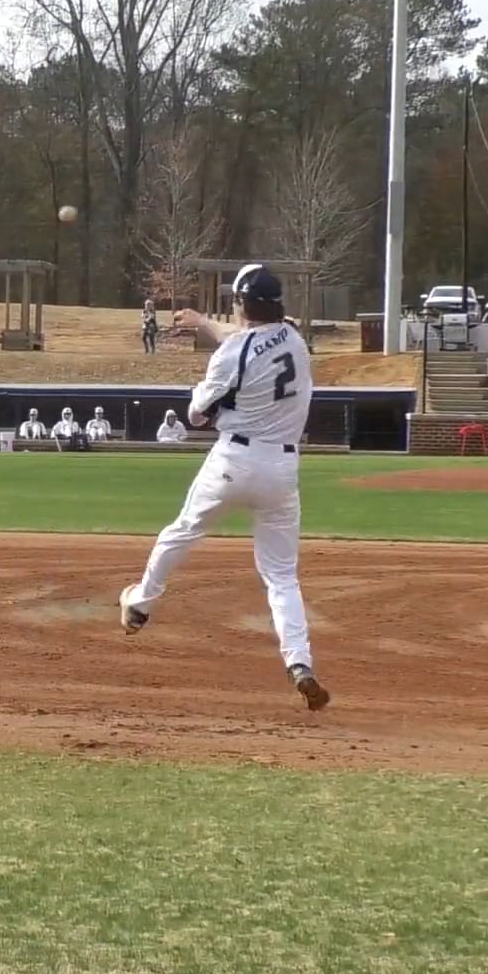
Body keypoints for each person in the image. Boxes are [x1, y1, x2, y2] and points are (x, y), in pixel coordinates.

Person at [118, 264, 329, 711]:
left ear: (241, 305)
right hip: (282, 468)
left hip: (233, 460)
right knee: (281, 577)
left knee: (182, 530)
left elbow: (197, 414)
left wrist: (211, 383)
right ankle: (299, 663)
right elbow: (247, 336)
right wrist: (202, 322)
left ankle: (140, 603)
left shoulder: (231, 352)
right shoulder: (294, 338)